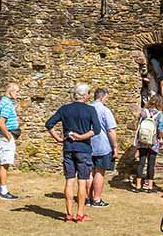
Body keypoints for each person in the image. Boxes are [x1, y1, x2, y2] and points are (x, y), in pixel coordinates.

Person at [45, 83, 102, 223]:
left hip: (68, 148)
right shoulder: (90, 110)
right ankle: (80, 214)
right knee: (82, 181)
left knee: (69, 180)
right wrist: (82, 137)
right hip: (83, 149)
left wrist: (59, 138)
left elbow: (49, 124)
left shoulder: (65, 109)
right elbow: (97, 129)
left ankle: (69, 214)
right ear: (85, 95)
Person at [88, 88, 119, 207]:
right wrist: (115, 147)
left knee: (90, 172)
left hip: (88, 144)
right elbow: (111, 130)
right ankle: (96, 199)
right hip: (102, 144)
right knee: (99, 172)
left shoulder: (87, 109)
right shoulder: (105, 110)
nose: (106, 100)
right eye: (106, 97)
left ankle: (88, 198)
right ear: (101, 97)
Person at [0, 82, 21, 200]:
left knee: (1, 163)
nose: (17, 94)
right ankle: (3, 192)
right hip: (6, 137)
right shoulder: (7, 104)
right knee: (4, 164)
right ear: (10, 91)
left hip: (4, 136)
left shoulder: (5, 102)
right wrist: (8, 136)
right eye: (16, 91)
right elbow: (1, 122)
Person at [133, 96, 163, 193]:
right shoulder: (159, 115)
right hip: (153, 143)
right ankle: (149, 187)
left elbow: (138, 124)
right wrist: (161, 137)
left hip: (142, 141)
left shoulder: (143, 112)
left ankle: (138, 185)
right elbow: (161, 129)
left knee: (141, 162)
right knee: (151, 164)